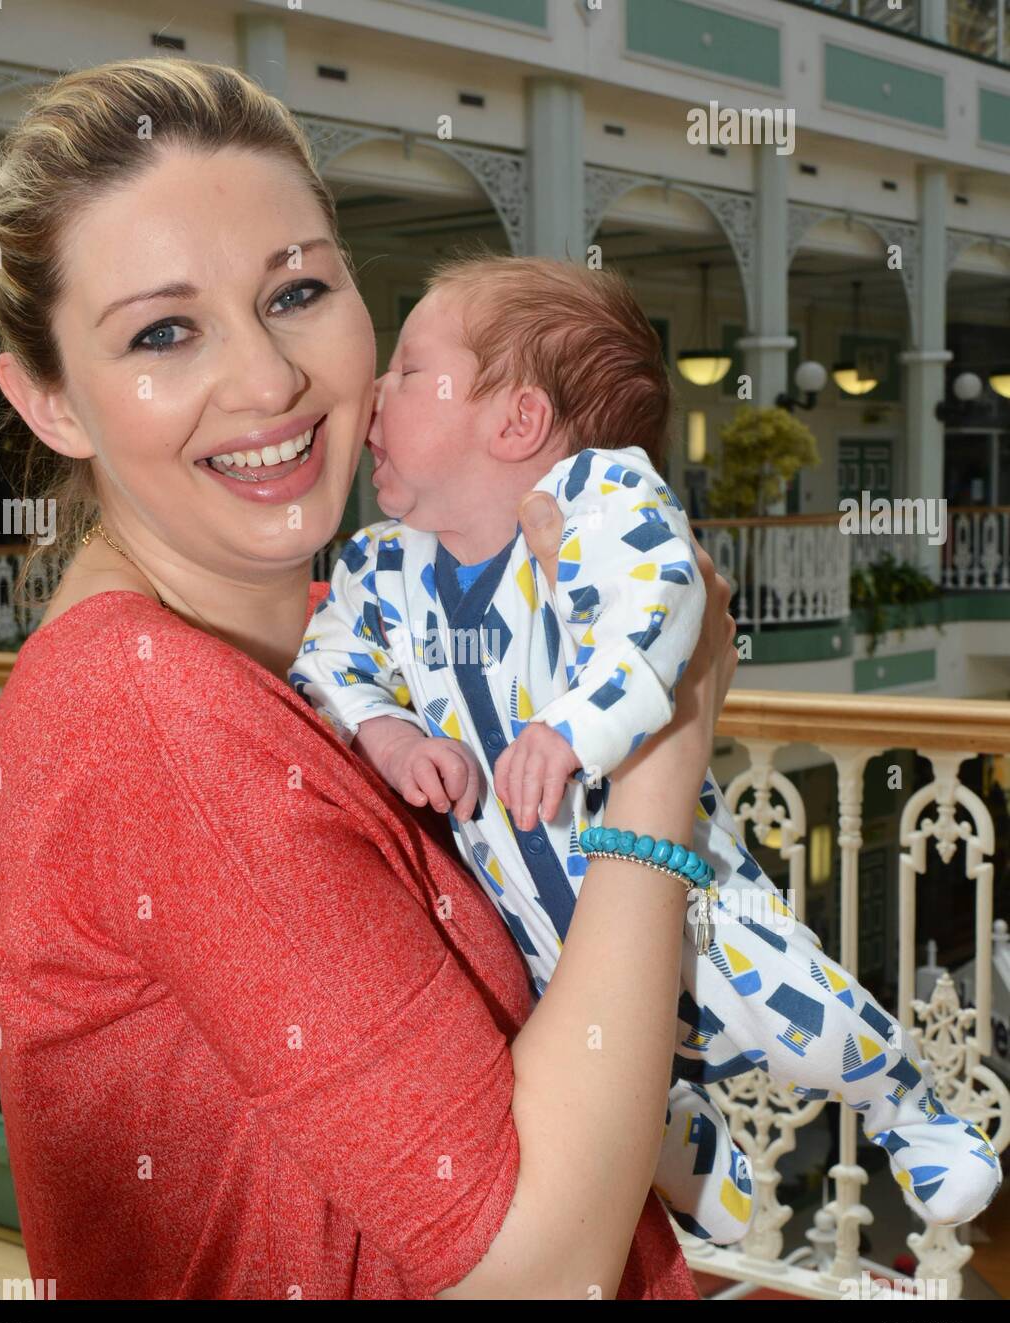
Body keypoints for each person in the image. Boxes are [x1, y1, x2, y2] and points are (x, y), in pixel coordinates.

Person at [0, 55, 736, 1300]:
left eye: (299, 290)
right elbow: (532, 1278)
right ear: (49, 398)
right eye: (164, 332)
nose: (270, 383)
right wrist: (664, 759)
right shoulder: (159, 714)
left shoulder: (337, 643)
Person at [287, 258, 1003, 1238]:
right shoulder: (382, 566)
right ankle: (718, 1188)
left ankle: (909, 1114)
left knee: (798, 1006)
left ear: (517, 424)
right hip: (538, 937)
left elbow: (661, 605)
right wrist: (391, 730)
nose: (374, 395)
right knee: (608, 1094)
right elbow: (327, 656)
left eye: (410, 371)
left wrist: (575, 727)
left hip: (694, 908)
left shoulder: (595, 497)